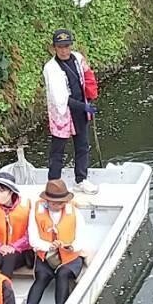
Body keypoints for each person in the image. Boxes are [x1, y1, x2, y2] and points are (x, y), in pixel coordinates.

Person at [42, 28, 100, 194]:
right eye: (60, 47)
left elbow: (87, 75)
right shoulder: (51, 68)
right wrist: (84, 106)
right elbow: (62, 98)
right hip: (63, 113)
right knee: (58, 150)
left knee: (82, 146)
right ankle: (53, 182)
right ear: (54, 48)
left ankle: (81, 179)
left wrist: (90, 94)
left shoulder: (78, 58)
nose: (64, 50)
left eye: (67, 46)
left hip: (80, 109)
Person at [22, 178, 85, 304]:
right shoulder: (36, 212)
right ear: (46, 200)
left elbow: (81, 238)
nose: (56, 205)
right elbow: (33, 239)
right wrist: (48, 246)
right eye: (53, 202)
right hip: (46, 256)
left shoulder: (74, 212)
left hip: (69, 257)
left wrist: (70, 246)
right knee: (42, 276)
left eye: (60, 202)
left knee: (63, 274)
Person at [0, 169, 31, 276]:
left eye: (2, 190)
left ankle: (4, 288)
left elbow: (29, 234)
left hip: (20, 251)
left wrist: (13, 247)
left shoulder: (26, 207)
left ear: (11, 192)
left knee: (9, 259)